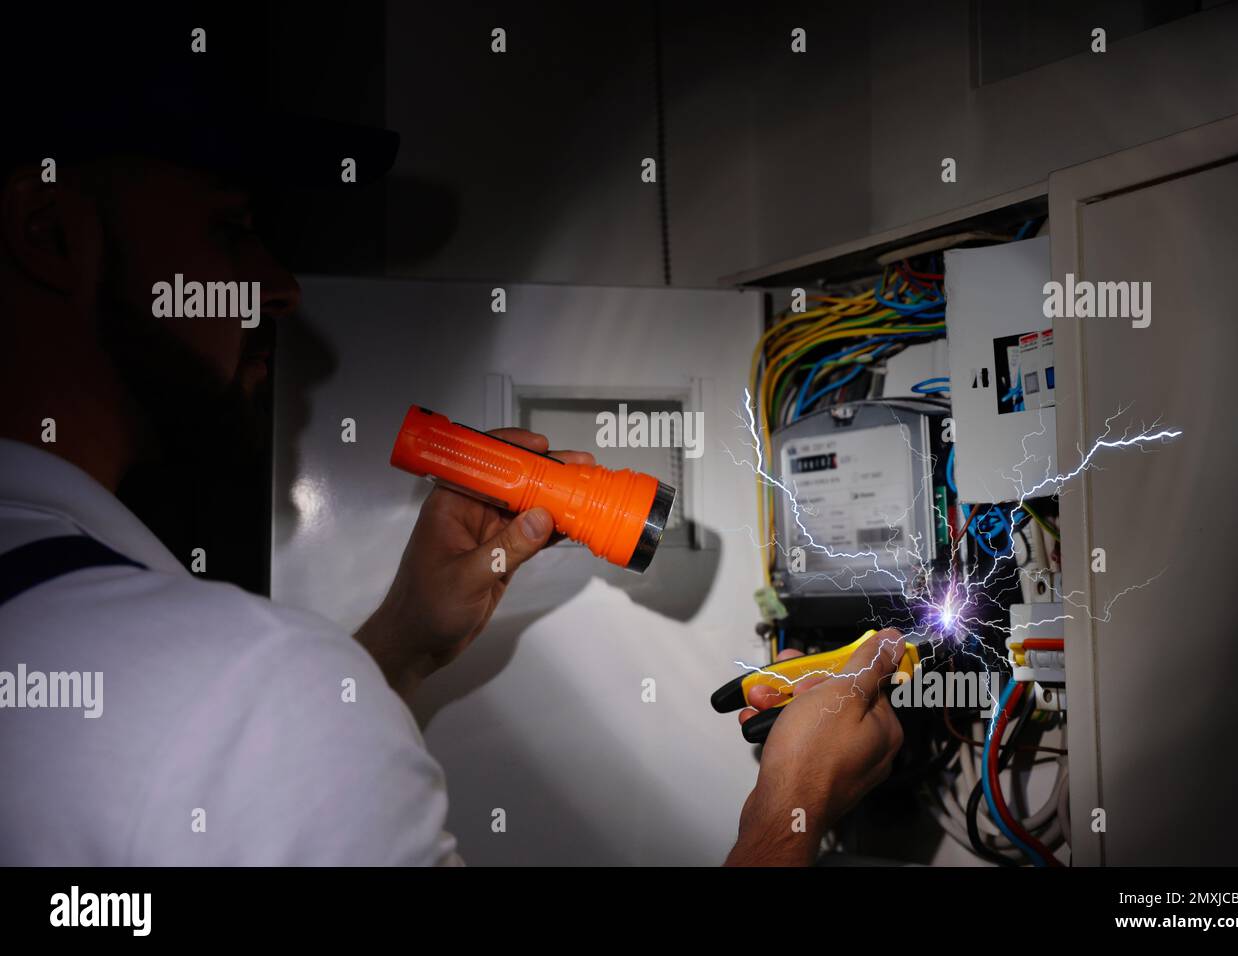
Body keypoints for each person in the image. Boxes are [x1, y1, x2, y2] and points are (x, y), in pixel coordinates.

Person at [0, 13, 902, 866]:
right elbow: (253, 743)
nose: (280, 287)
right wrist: (794, 801)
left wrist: (403, 644)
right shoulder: (241, 686)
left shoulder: (110, 648)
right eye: (229, 230)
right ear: (49, 234)